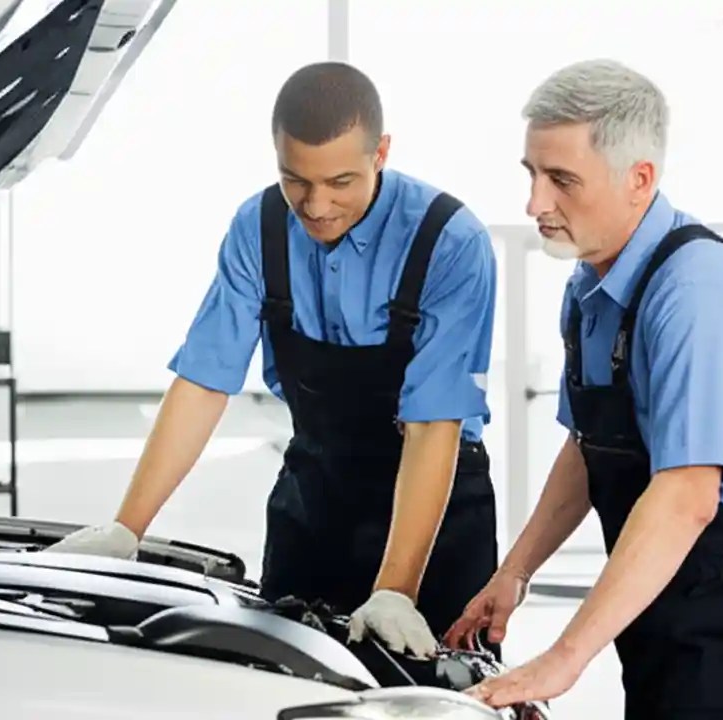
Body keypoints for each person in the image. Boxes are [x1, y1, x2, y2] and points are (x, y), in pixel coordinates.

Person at [45, 61, 501, 659]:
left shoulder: (450, 242)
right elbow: (204, 382)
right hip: (316, 496)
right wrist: (127, 528)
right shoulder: (257, 228)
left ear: (381, 153)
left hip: (434, 510)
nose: (316, 206)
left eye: (340, 182)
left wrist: (395, 591)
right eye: (296, 180)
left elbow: (432, 424)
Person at [447, 59, 723, 718]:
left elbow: (686, 497)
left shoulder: (695, 291)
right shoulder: (590, 285)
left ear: (639, 179)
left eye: (561, 179)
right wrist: (515, 573)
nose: (534, 204)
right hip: (658, 575)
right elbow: (589, 449)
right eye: (531, 174)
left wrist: (564, 658)